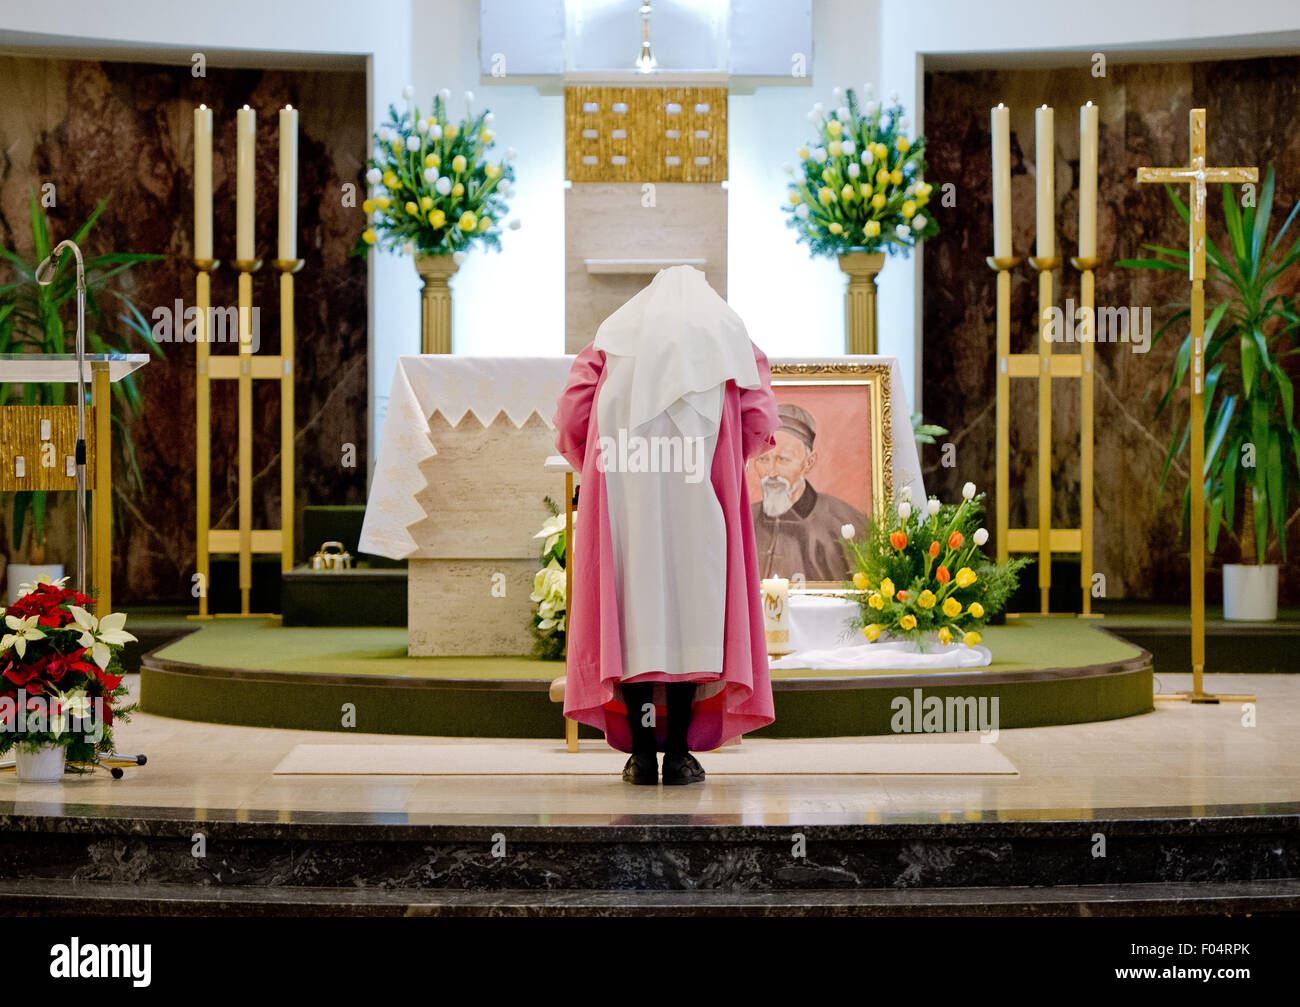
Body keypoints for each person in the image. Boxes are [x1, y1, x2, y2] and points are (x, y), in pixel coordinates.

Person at [553, 266, 780, 785]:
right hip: (702, 500)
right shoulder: (731, 341)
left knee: (633, 614)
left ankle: (639, 756)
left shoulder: (609, 342)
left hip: (625, 498)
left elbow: (570, 418)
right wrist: (722, 462)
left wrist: (591, 460)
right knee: (692, 613)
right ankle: (677, 753)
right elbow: (762, 419)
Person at [751, 403, 867, 582]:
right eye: (763, 459)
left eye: (783, 459)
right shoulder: (743, 521)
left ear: (809, 462)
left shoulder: (845, 524)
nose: (771, 472)